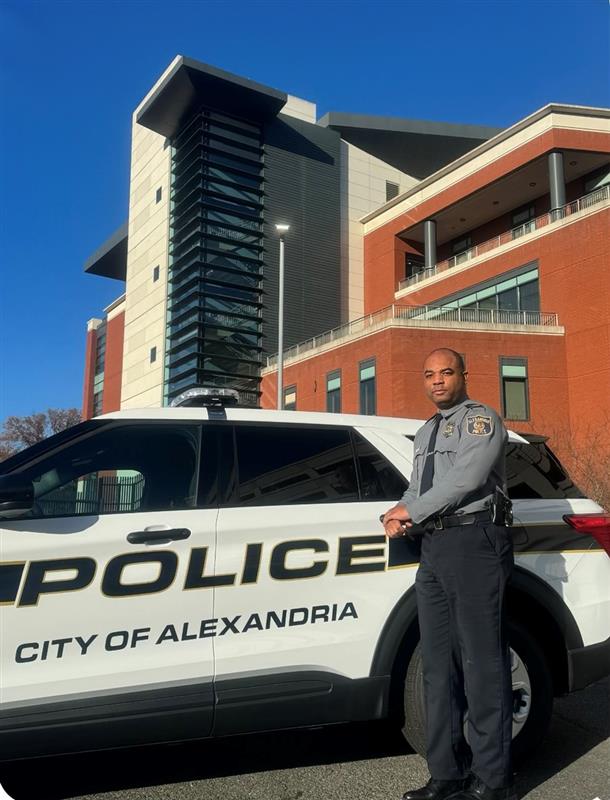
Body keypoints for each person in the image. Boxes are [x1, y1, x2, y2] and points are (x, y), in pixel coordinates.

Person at [382, 348, 516, 800]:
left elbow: (467, 479)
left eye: (446, 372)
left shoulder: (481, 420)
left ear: (463, 374)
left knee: (482, 663)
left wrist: (411, 508)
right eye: (429, 374)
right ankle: (447, 774)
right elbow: (419, 486)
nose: (437, 381)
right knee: (437, 667)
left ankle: (493, 780)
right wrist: (400, 511)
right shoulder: (425, 431)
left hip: (475, 542)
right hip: (434, 546)